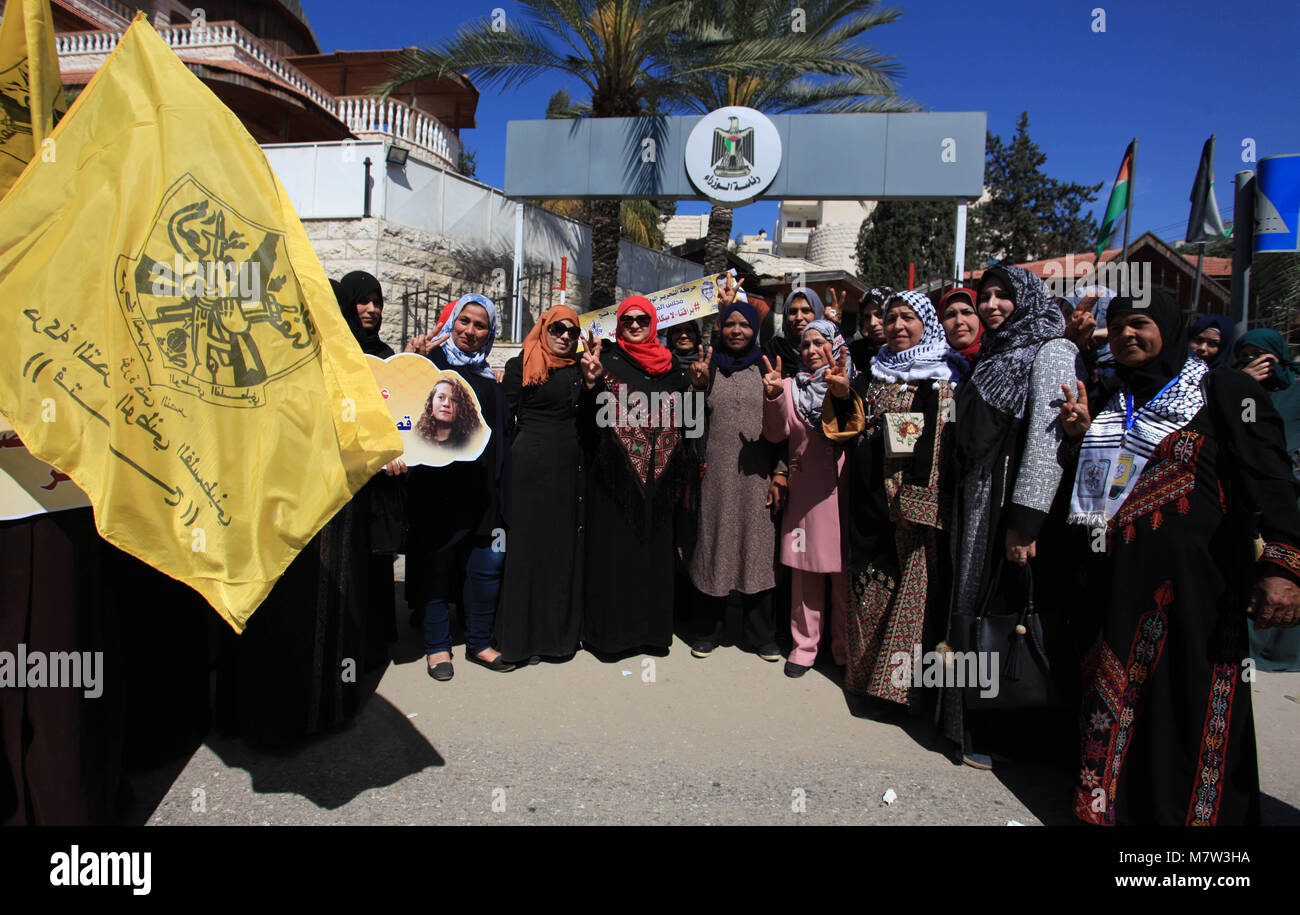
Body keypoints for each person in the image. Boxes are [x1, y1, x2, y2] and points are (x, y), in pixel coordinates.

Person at [1061, 291, 1300, 825]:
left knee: (1191, 708)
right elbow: (1102, 491)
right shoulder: (1113, 398)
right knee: (1121, 701)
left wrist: (1284, 565)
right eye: (1117, 326)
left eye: (1139, 324)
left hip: (1199, 592)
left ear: (1169, 328)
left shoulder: (1222, 390)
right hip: (1119, 589)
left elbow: (1272, 479)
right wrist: (1080, 439)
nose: (1126, 335)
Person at [940, 265, 1078, 768]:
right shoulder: (994, 354)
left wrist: (1025, 521)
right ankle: (966, 723)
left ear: (1028, 299)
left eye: (1003, 297)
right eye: (986, 296)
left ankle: (1006, 736)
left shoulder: (1052, 350)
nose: (991, 306)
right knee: (974, 606)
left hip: (1010, 509)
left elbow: (1048, 443)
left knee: (1006, 615)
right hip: (977, 499)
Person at [822, 290, 962, 710]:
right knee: (867, 589)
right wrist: (843, 394)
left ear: (925, 325)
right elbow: (845, 432)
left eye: (908, 318)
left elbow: (938, 445)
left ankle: (900, 692)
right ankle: (863, 681)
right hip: (866, 501)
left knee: (910, 594)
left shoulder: (939, 378)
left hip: (908, 509)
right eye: (892, 318)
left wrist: (918, 505)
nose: (899, 326)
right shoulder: (873, 373)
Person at [579, 296, 707, 658]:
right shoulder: (603, 363)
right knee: (615, 559)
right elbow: (586, 426)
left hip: (660, 484)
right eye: (628, 320)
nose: (635, 325)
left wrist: (698, 390)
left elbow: (691, 426)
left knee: (651, 560)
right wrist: (590, 386)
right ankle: (611, 637)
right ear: (619, 326)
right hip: (613, 483)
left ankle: (650, 633)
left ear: (653, 324)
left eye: (642, 320)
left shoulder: (676, 372)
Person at [403, 293, 514, 680]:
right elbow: (403, 411)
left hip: (481, 492)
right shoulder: (431, 367)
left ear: (490, 333)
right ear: (453, 322)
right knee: (437, 567)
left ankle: (479, 642)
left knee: (485, 568)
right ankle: (437, 647)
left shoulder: (488, 378)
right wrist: (414, 359)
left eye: (479, 325)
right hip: (437, 490)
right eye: (464, 321)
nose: (469, 330)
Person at [686, 277, 782, 662]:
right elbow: (691, 426)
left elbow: (783, 430)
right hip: (716, 480)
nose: (737, 330)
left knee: (756, 551)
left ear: (754, 329)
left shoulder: (766, 367)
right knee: (714, 548)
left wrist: (781, 471)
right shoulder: (710, 369)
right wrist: (696, 389)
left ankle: (760, 636)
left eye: (744, 324)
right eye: (730, 324)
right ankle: (709, 631)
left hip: (758, 479)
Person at [494, 304, 587, 665]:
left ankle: (556, 638)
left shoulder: (583, 368)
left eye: (572, 332)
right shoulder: (522, 365)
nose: (565, 336)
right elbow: (505, 417)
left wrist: (593, 382)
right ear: (544, 328)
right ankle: (521, 639)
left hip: (568, 468)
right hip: (530, 467)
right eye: (557, 329)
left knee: (560, 551)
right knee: (527, 551)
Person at [762, 319, 854, 677]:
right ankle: (804, 646)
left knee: (842, 574)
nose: (813, 350)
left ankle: (844, 650)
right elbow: (775, 434)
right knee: (805, 572)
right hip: (804, 491)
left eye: (821, 343)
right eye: (806, 345)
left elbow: (849, 432)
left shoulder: (847, 379)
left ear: (836, 345)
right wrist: (772, 396)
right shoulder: (789, 386)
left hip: (842, 489)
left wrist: (842, 393)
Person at [1233, 328, 1300, 672]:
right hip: (1248, 498)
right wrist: (1242, 386)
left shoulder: (1295, 391)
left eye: (1264, 355)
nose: (1256, 362)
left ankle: (1286, 652)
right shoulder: (1235, 389)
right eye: (1246, 354)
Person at [763, 287, 825, 379]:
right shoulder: (775, 349)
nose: (799, 317)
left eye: (806, 310)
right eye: (792, 312)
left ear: (817, 313)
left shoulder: (830, 349)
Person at [338, 270, 396, 357]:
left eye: (376, 302)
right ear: (348, 304)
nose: (372, 309)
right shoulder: (329, 349)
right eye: (363, 301)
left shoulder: (385, 354)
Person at [415, 377, 481, 449]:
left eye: (454, 400)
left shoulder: (471, 445)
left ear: (461, 407)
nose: (446, 404)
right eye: (441, 397)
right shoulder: (415, 437)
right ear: (431, 402)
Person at [848, 285, 892, 367]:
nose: (872, 323)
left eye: (880, 314)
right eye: (867, 317)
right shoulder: (856, 352)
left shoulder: (912, 354)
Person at [940, 286, 982, 364]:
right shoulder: (929, 366)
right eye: (950, 314)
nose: (959, 321)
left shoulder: (998, 362)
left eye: (966, 312)